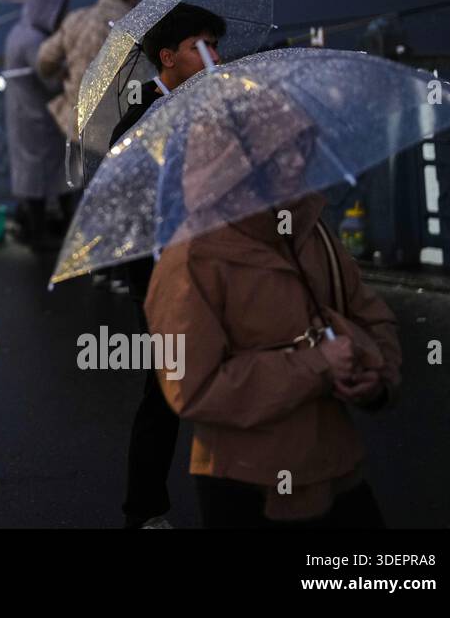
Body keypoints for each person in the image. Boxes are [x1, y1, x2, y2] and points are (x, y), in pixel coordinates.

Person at [145, 106, 401, 528]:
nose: (298, 162)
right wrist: (316, 364)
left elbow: (370, 313)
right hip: (247, 483)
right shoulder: (192, 259)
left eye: (301, 146)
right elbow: (193, 387)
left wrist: (378, 375)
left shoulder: (309, 228)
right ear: (234, 163)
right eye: (279, 152)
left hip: (337, 469)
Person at [110, 3, 225, 529]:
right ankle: (145, 510)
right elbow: (126, 207)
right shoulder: (143, 119)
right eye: (201, 46)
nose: (215, 57)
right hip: (162, 278)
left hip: (209, 270)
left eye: (215, 45)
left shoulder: (205, 109)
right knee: (165, 395)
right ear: (167, 58)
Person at [36, 0, 142, 219]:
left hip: (79, 123)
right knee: (120, 196)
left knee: (83, 193)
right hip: (120, 126)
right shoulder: (136, 25)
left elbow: (44, 59)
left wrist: (63, 73)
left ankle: (83, 245)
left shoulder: (76, 19)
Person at [2, 0, 69, 249]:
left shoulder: (17, 32)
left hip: (21, 114)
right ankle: (47, 234)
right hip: (38, 117)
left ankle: (34, 229)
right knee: (48, 173)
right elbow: (51, 80)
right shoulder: (34, 40)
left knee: (30, 172)